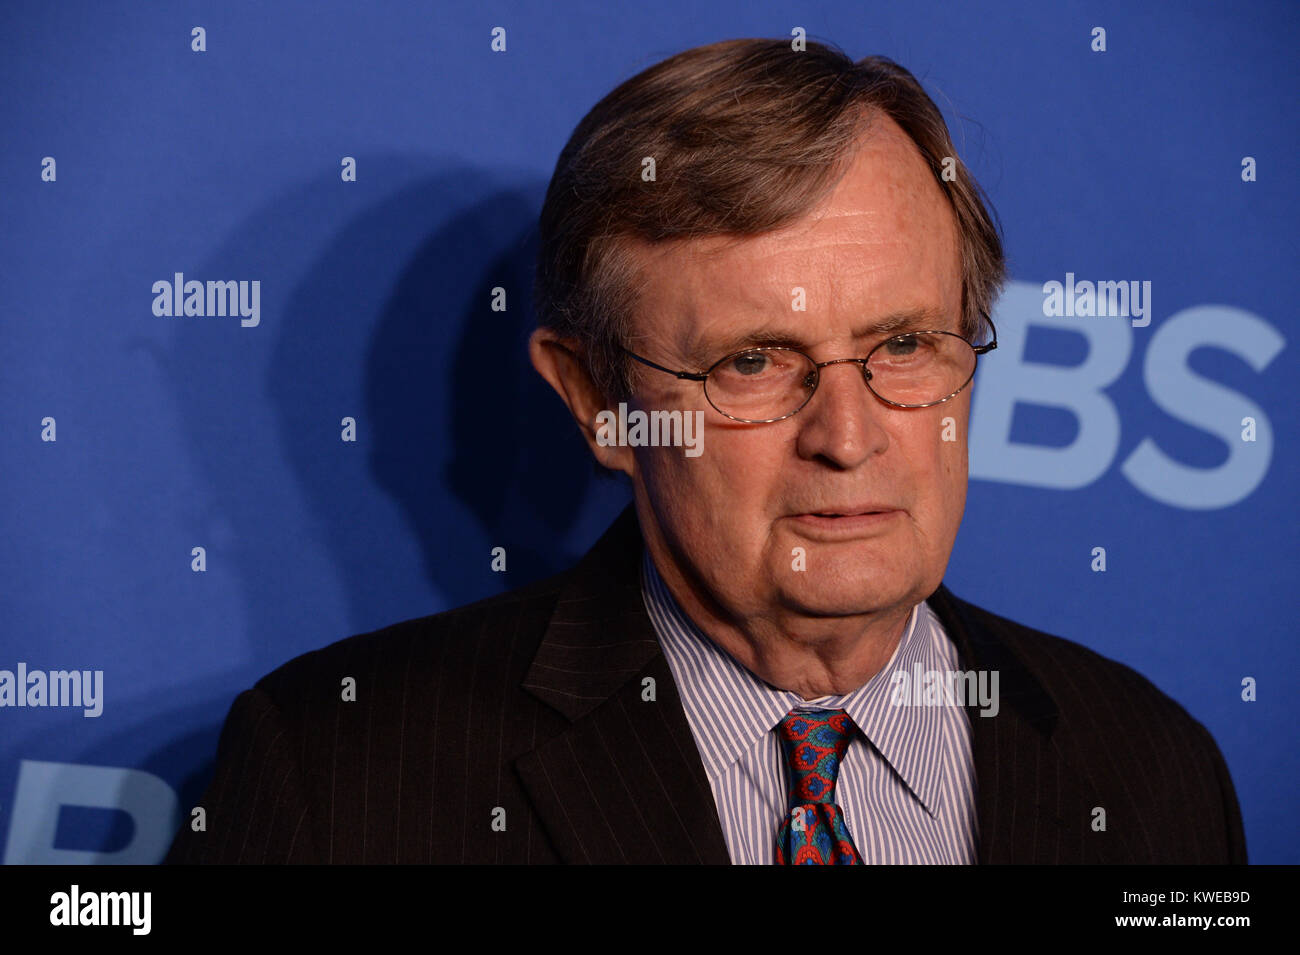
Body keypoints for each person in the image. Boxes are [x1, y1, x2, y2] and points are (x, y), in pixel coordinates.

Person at [164, 37, 1246, 865]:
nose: (850, 436)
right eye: (752, 364)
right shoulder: (342, 777)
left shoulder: (1146, 765)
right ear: (597, 398)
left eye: (905, 343)